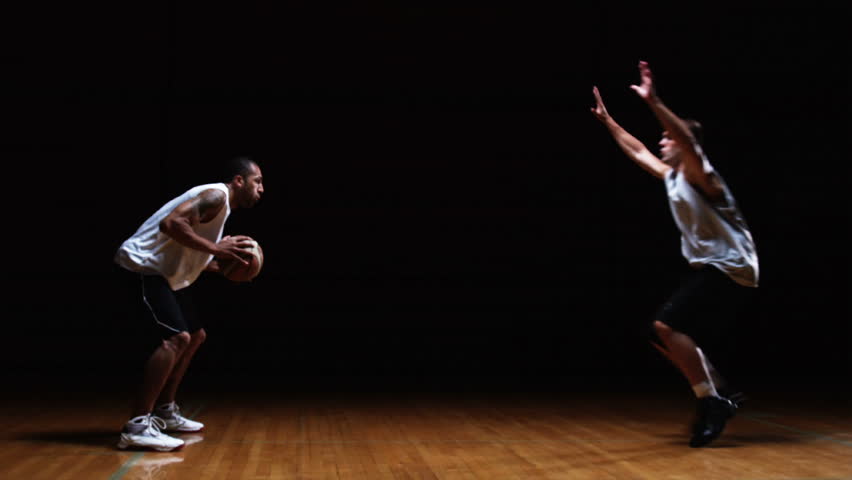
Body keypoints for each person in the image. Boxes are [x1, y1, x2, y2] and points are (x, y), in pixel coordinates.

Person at [590, 61, 759, 447]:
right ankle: (720, 389)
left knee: (668, 326)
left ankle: (712, 401)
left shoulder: (706, 179)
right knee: (658, 334)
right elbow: (637, 150)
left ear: (683, 145)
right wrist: (609, 121)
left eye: (668, 138)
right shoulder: (673, 179)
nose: (662, 142)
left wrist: (654, 101)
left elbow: (688, 141)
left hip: (731, 267)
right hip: (713, 268)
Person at [114, 157, 264, 451]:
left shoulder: (221, 208)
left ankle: (165, 411)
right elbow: (171, 224)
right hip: (143, 267)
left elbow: (186, 244)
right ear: (238, 181)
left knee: (196, 336)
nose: (261, 189)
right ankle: (136, 426)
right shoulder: (216, 195)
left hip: (166, 274)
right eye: (257, 181)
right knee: (176, 338)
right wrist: (216, 248)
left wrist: (221, 266)